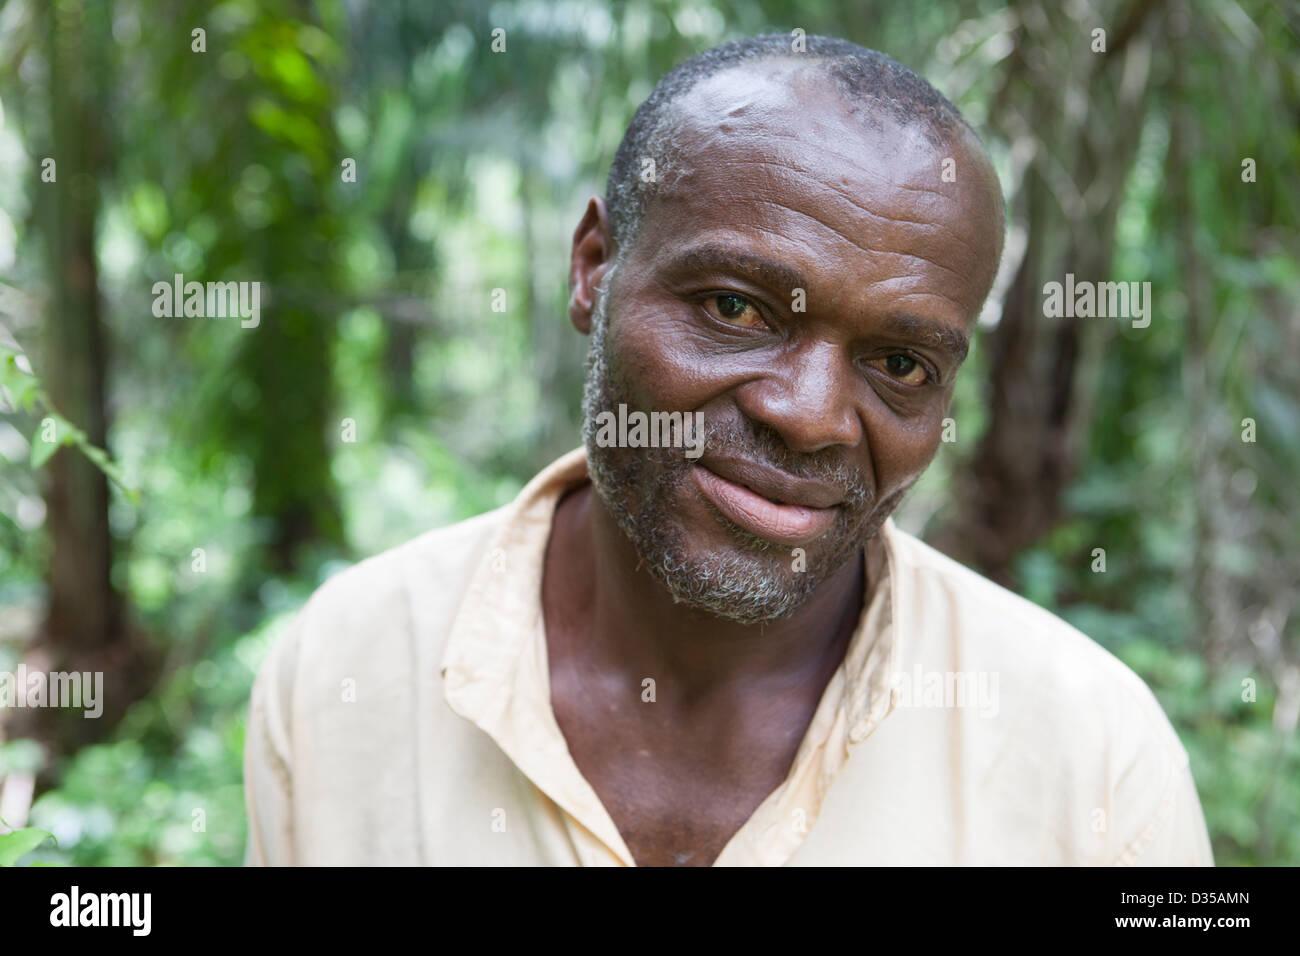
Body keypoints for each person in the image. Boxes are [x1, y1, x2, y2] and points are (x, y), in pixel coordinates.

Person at [244, 33, 1213, 866]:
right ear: (594, 269)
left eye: (900, 363)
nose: (809, 414)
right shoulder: (347, 669)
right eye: (732, 307)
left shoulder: (1094, 761)